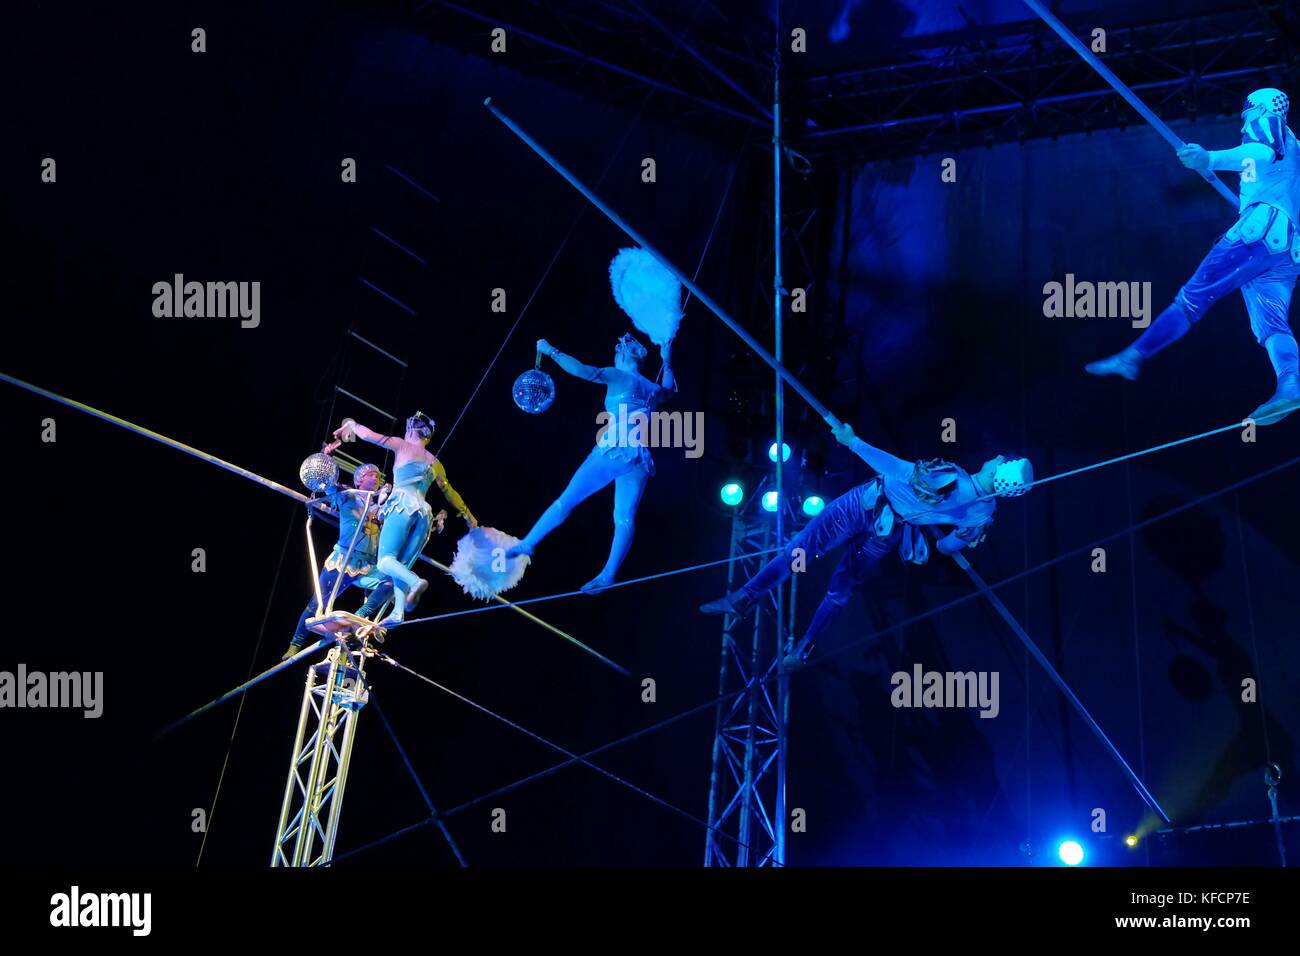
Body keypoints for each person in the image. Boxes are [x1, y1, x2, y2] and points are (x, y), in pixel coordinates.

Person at [700, 422, 1033, 669]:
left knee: (800, 549)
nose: (997, 455)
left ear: (1001, 471)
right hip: (887, 531)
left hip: (862, 506)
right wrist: (949, 526)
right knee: (841, 588)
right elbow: (945, 548)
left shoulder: (953, 478)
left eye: (1002, 458)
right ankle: (803, 649)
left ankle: (745, 597)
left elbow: (898, 470)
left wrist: (853, 442)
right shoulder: (983, 513)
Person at [1086, 88, 1300, 425]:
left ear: (1254, 107)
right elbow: (1265, 170)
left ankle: (1134, 356)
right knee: (1272, 326)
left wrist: (1210, 159)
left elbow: (1259, 152)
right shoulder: (1294, 147)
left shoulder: (1266, 120)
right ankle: (1289, 386)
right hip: (1287, 249)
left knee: (1192, 299)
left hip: (1261, 229)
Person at [506, 333, 676, 592]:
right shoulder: (650, 387)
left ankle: (529, 542)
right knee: (624, 518)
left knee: (566, 500)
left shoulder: (619, 375)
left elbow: (585, 372)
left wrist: (551, 350)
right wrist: (668, 360)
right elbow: (669, 391)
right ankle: (608, 574)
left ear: (620, 356)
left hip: (615, 449)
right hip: (639, 457)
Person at [333, 412, 476, 625]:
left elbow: (370, 435)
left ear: (412, 430)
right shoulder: (435, 463)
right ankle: (399, 611)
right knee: (399, 565)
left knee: (385, 561)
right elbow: (449, 493)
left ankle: (416, 582)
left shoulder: (402, 445)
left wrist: (352, 423)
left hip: (402, 506)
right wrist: (468, 514)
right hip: (424, 514)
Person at [282, 463, 393, 660]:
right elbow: (329, 486)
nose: (376, 479)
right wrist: (326, 463)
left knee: (392, 581)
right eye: (371, 476)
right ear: (359, 480)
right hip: (342, 562)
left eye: (378, 477)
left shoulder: (379, 509)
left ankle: (360, 616)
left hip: (365, 567)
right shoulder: (348, 495)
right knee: (316, 604)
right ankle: (295, 643)